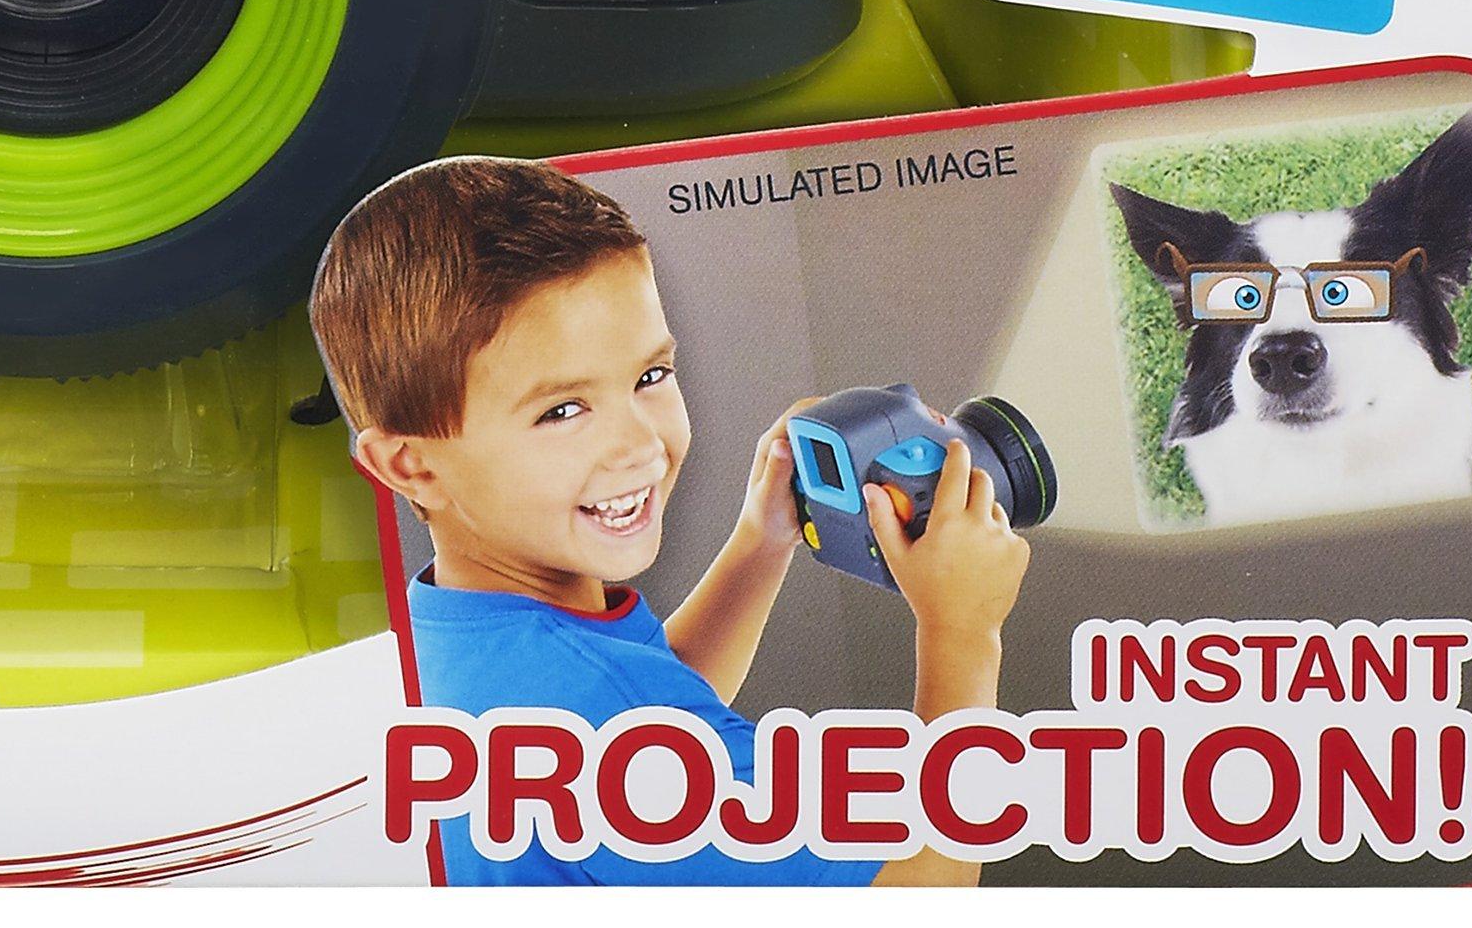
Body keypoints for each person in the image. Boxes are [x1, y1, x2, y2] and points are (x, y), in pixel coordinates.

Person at [309, 155, 1030, 884]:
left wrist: (762, 540)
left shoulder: (457, 635)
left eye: (650, 377)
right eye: (562, 410)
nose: (641, 445)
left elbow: (664, 698)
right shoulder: (605, 723)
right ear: (412, 466)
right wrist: (963, 633)